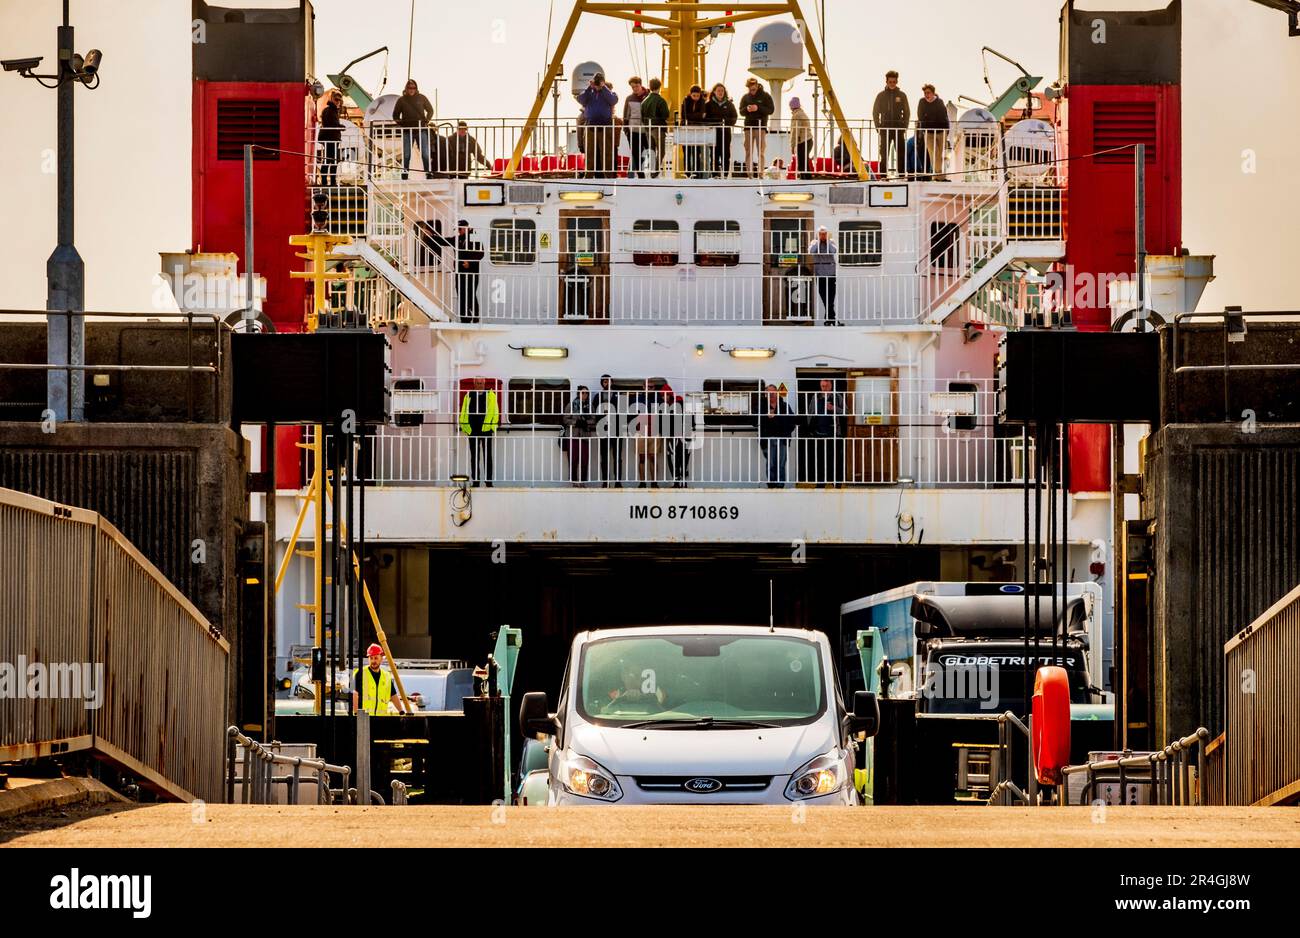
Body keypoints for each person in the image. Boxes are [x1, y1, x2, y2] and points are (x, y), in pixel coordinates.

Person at [459, 375, 499, 486]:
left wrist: (492, 426)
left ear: (485, 383)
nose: (479, 384)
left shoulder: (491, 395)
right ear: (474, 384)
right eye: (477, 383)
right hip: (472, 429)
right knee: (474, 456)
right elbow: (464, 410)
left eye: (481, 383)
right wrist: (464, 425)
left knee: (488, 456)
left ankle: (488, 481)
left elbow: (496, 411)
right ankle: (476, 481)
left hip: (486, 428)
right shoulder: (469, 395)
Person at [804, 378, 844, 487]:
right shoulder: (815, 397)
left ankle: (836, 482)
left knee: (835, 459)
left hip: (834, 434)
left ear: (831, 386)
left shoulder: (837, 396)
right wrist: (810, 430)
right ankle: (821, 482)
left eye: (826, 386)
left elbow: (847, 411)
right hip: (819, 434)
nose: (824, 388)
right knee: (820, 459)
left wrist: (834, 408)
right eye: (822, 386)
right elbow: (810, 413)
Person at [577, 72, 618, 178]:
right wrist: (589, 88)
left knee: (606, 153)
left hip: (605, 127)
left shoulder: (609, 93)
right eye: (596, 81)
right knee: (590, 153)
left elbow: (614, 100)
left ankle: (608, 176)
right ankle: (589, 175)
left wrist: (603, 88)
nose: (597, 83)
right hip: (591, 126)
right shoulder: (589, 92)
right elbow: (580, 99)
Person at [393, 79, 435, 179]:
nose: (411, 90)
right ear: (406, 89)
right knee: (407, 155)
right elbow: (395, 115)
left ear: (416, 88)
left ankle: (428, 173)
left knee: (425, 154)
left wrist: (427, 120)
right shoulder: (401, 100)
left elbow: (430, 110)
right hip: (408, 131)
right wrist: (402, 124)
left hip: (421, 129)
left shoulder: (422, 98)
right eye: (409, 88)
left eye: (413, 88)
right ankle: (405, 173)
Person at [352, 643, 408, 716]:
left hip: (381, 719)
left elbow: (393, 695)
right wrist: (356, 713)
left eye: (376, 658)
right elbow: (354, 694)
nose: (373, 661)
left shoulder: (386, 676)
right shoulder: (360, 673)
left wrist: (401, 711)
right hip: (364, 718)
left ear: (381, 658)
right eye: (371, 658)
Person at [759, 384, 797, 488]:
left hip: (782, 439)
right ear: (765, 394)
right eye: (768, 392)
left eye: (773, 392)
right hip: (767, 439)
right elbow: (754, 421)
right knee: (771, 464)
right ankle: (771, 485)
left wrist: (785, 432)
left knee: (781, 464)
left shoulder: (784, 406)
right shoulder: (761, 406)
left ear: (777, 392)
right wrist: (765, 416)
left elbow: (792, 421)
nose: (771, 394)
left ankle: (780, 486)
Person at [873, 70, 910, 177]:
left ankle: (902, 175)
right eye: (890, 82)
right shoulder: (881, 96)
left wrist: (904, 126)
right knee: (884, 153)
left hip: (899, 129)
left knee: (901, 153)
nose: (892, 84)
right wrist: (878, 127)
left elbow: (907, 112)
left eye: (894, 81)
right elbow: (875, 112)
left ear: (897, 82)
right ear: (887, 82)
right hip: (885, 129)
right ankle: (883, 176)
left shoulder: (902, 95)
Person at [739, 77, 774, 177]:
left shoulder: (765, 96)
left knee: (761, 151)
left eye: (753, 89)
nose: (752, 91)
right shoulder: (745, 97)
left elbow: (771, 110)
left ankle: (760, 173)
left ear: (757, 86)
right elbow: (741, 111)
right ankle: (749, 174)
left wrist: (758, 108)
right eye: (750, 89)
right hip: (748, 127)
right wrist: (747, 109)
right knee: (748, 151)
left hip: (760, 127)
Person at [595, 375, 625, 487]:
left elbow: (624, 410)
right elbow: (595, 412)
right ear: (602, 383)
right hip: (603, 430)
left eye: (608, 381)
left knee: (617, 456)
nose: (606, 383)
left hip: (617, 429)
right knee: (604, 456)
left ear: (612, 382)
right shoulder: (598, 396)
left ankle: (618, 481)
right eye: (604, 381)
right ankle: (605, 481)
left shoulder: (619, 395)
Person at [563, 385, 597, 486]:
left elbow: (594, 420)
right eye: (583, 392)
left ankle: (582, 482)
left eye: (587, 393)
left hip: (585, 436)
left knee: (584, 460)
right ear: (578, 393)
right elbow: (565, 419)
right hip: (573, 436)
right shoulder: (571, 405)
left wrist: (585, 422)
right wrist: (576, 422)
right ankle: (574, 481)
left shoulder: (590, 406)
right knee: (573, 460)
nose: (585, 394)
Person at [916, 83, 950, 181]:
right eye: (925, 93)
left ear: (933, 93)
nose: (926, 95)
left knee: (940, 154)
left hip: (941, 131)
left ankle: (936, 176)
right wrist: (925, 125)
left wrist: (946, 130)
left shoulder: (939, 102)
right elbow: (920, 116)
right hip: (928, 132)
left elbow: (944, 116)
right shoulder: (922, 102)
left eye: (928, 93)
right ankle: (940, 176)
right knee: (933, 153)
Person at [703, 83, 738, 178]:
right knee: (714, 154)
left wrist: (725, 123)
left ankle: (726, 175)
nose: (720, 92)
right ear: (714, 92)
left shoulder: (729, 104)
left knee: (726, 154)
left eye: (722, 90)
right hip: (713, 133)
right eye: (718, 90)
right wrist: (715, 122)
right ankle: (714, 175)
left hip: (725, 133)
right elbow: (705, 119)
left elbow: (734, 117)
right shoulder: (708, 104)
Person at [453, 220, 484, 322]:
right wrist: (432, 236)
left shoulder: (474, 236)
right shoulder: (458, 239)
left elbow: (480, 253)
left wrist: (470, 263)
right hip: (460, 272)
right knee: (461, 295)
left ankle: (475, 316)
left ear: (466, 228)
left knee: (470, 294)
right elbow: (445, 240)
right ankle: (465, 319)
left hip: (471, 272)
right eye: (457, 229)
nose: (458, 231)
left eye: (460, 229)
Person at [808, 225, 839, 325]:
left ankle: (829, 318)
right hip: (820, 274)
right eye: (820, 234)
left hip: (831, 273)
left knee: (831, 296)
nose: (822, 236)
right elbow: (811, 251)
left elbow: (834, 251)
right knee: (824, 296)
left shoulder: (831, 242)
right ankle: (831, 318)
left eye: (824, 233)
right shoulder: (814, 242)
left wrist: (827, 241)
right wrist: (818, 241)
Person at [640, 78, 670, 176]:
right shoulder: (661, 100)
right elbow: (666, 115)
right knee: (661, 151)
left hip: (648, 129)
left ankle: (652, 169)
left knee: (651, 150)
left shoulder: (644, 101)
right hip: (658, 129)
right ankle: (655, 170)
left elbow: (642, 116)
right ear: (659, 87)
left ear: (650, 87)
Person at [623, 77, 651, 178]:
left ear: (641, 85)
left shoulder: (649, 96)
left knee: (650, 152)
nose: (635, 88)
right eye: (632, 87)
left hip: (647, 131)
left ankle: (653, 173)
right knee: (636, 154)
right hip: (633, 131)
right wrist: (626, 130)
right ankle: (641, 175)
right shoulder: (629, 98)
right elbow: (626, 115)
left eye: (636, 86)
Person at [679, 84, 709, 176]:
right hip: (686, 129)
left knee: (697, 152)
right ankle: (687, 173)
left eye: (697, 95)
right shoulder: (685, 100)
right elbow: (684, 116)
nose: (696, 97)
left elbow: (702, 116)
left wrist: (692, 116)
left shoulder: (702, 102)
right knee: (686, 151)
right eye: (694, 95)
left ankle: (696, 173)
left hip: (697, 129)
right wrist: (697, 115)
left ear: (700, 94)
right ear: (690, 94)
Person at [317, 89, 343, 187]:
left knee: (330, 161)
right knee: (330, 161)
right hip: (330, 139)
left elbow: (330, 123)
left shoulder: (331, 110)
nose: (338, 101)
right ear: (332, 99)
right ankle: (330, 182)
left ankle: (328, 181)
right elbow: (331, 124)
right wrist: (341, 127)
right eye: (336, 99)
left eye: (339, 100)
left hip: (331, 139)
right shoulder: (330, 110)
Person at [788, 96, 813, 179]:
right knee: (805, 161)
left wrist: (792, 145)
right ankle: (808, 178)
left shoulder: (796, 115)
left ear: (791, 107)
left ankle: (804, 179)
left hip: (802, 141)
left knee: (802, 162)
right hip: (809, 140)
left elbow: (795, 131)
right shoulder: (802, 113)